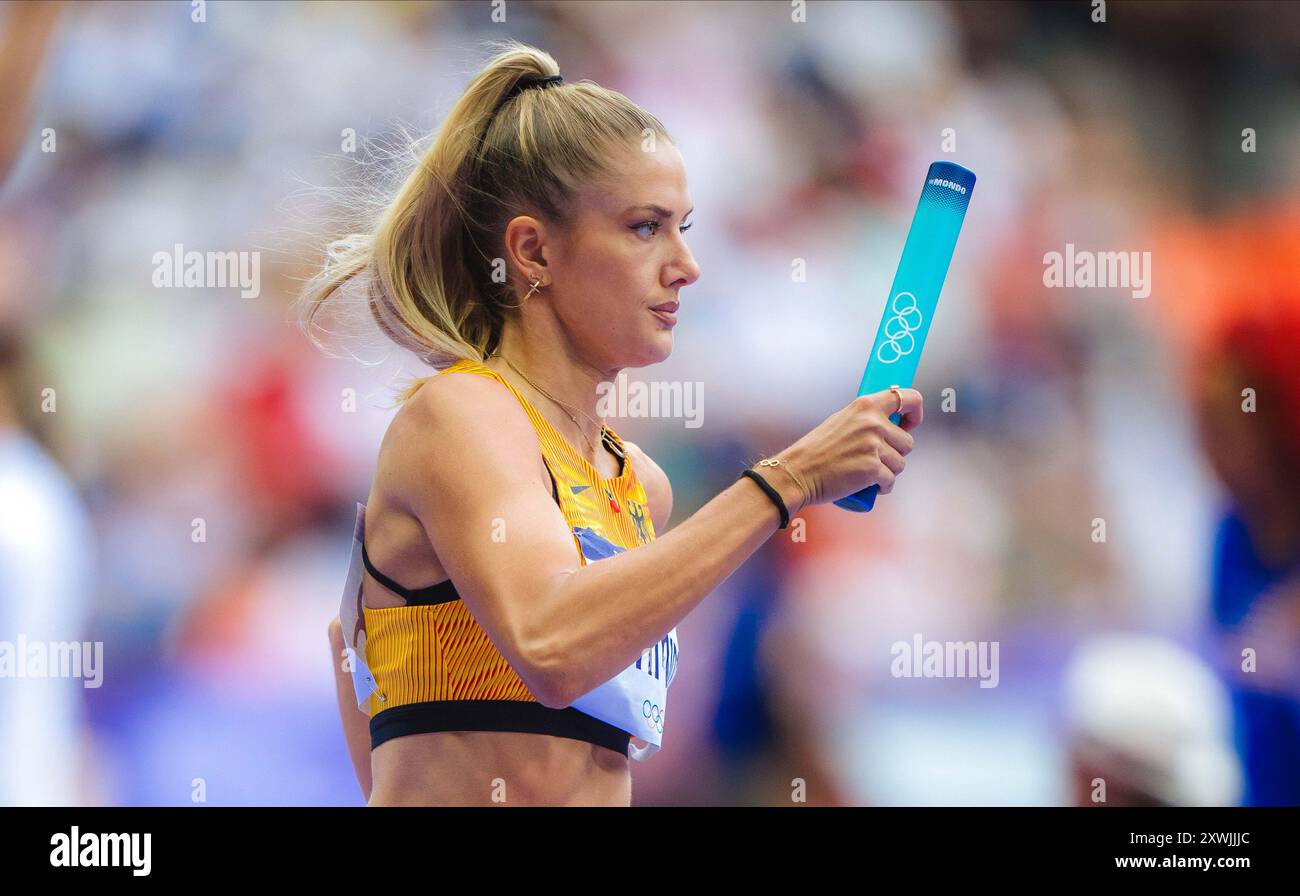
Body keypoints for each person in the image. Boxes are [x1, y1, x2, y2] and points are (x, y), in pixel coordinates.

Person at [303, 41, 923, 806]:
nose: (686, 265)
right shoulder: (459, 414)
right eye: (644, 227)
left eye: (684, 227)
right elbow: (552, 647)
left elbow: (357, 657)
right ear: (532, 251)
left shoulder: (638, 485)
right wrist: (789, 482)